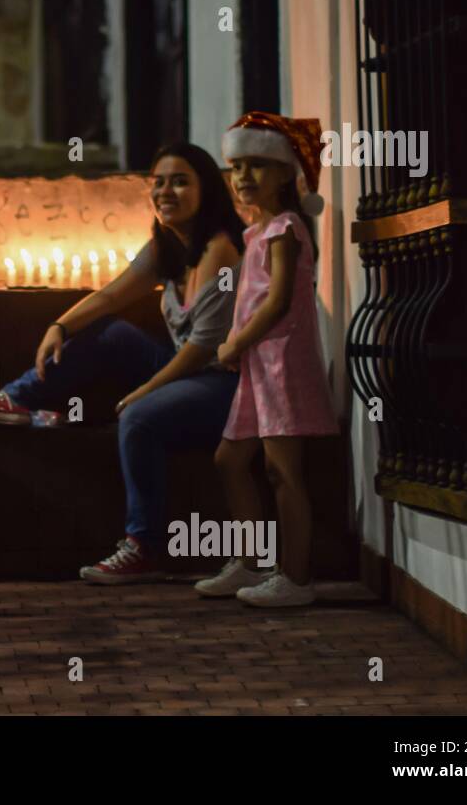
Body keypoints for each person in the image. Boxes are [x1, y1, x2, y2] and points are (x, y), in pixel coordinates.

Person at [0, 143, 246, 584]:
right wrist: (59, 327)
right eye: (158, 182)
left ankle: (144, 547)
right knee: (112, 333)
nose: (165, 191)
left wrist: (143, 392)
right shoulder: (168, 247)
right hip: (188, 369)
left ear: (207, 191)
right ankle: (15, 399)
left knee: (139, 419)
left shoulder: (221, 251)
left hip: (225, 383)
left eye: (180, 181)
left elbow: (203, 348)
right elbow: (110, 295)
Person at [198, 112, 337, 607]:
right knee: (230, 459)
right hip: (259, 363)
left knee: (283, 471)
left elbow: (277, 302)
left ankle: (295, 578)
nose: (243, 177)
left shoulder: (286, 227)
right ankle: (252, 561)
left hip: (282, 363)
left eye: (257, 165)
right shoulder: (258, 233)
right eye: (236, 166)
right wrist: (240, 345)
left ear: (285, 172)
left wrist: (235, 343)